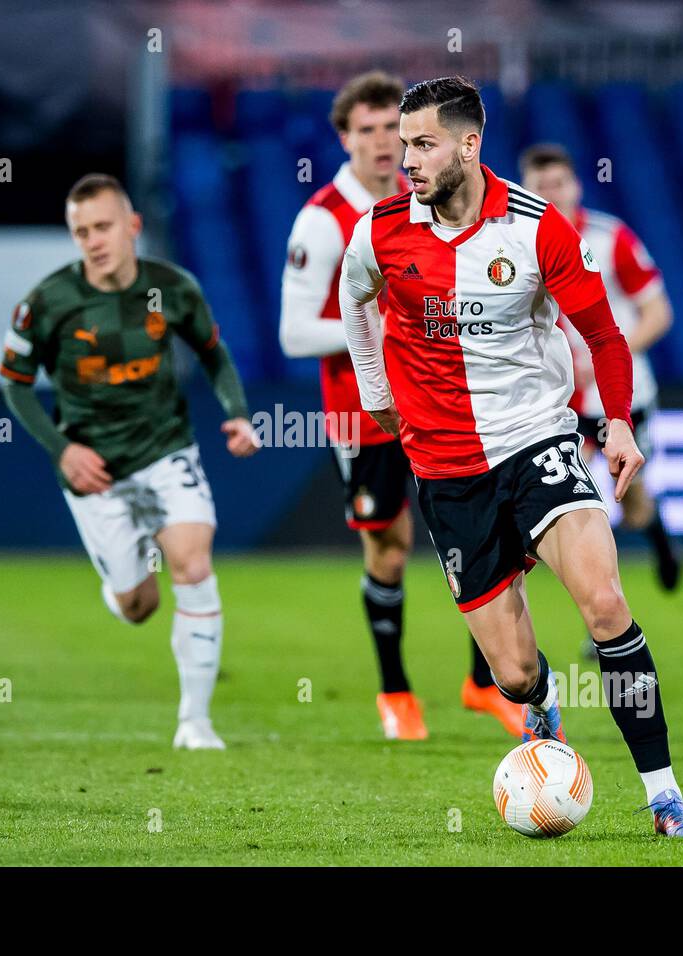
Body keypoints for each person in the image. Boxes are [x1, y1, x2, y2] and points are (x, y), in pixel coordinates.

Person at [339, 77, 683, 836]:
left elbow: (605, 336)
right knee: (511, 672)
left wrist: (615, 424)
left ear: (469, 145)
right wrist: (376, 393)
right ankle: (543, 711)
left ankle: (666, 797)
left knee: (606, 604)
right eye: (404, 144)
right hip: (444, 468)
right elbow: (353, 296)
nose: (404, 159)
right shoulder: (378, 231)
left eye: (422, 143)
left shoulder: (537, 228)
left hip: (536, 439)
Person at [280, 71, 525, 740]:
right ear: (344, 137)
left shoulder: (437, 199)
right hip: (367, 412)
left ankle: (486, 683)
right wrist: (391, 331)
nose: (385, 144)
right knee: (388, 549)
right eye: (368, 130)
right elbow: (293, 331)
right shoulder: (324, 219)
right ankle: (395, 691)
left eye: (395, 128)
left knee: (488, 536)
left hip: (449, 401)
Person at [0, 173, 259, 751]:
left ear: (132, 227)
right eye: (81, 231)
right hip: (97, 472)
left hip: (166, 450)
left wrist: (237, 413)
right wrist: (62, 449)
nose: (93, 241)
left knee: (192, 563)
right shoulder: (46, 302)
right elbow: (15, 386)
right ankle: (122, 586)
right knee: (139, 605)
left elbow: (214, 355)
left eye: (102, 227)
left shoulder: (173, 288)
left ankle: (195, 721)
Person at [521, 143, 683, 661]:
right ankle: (607, 624)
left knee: (627, 502)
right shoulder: (511, 242)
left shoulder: (610, 239)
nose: (550, 194)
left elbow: (657, 313)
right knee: (582, 504)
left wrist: (605, 355)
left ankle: (655, 535)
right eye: (539, 187)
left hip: (621, 396)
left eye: (558, 184)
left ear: (576, 187)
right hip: (556, 403)